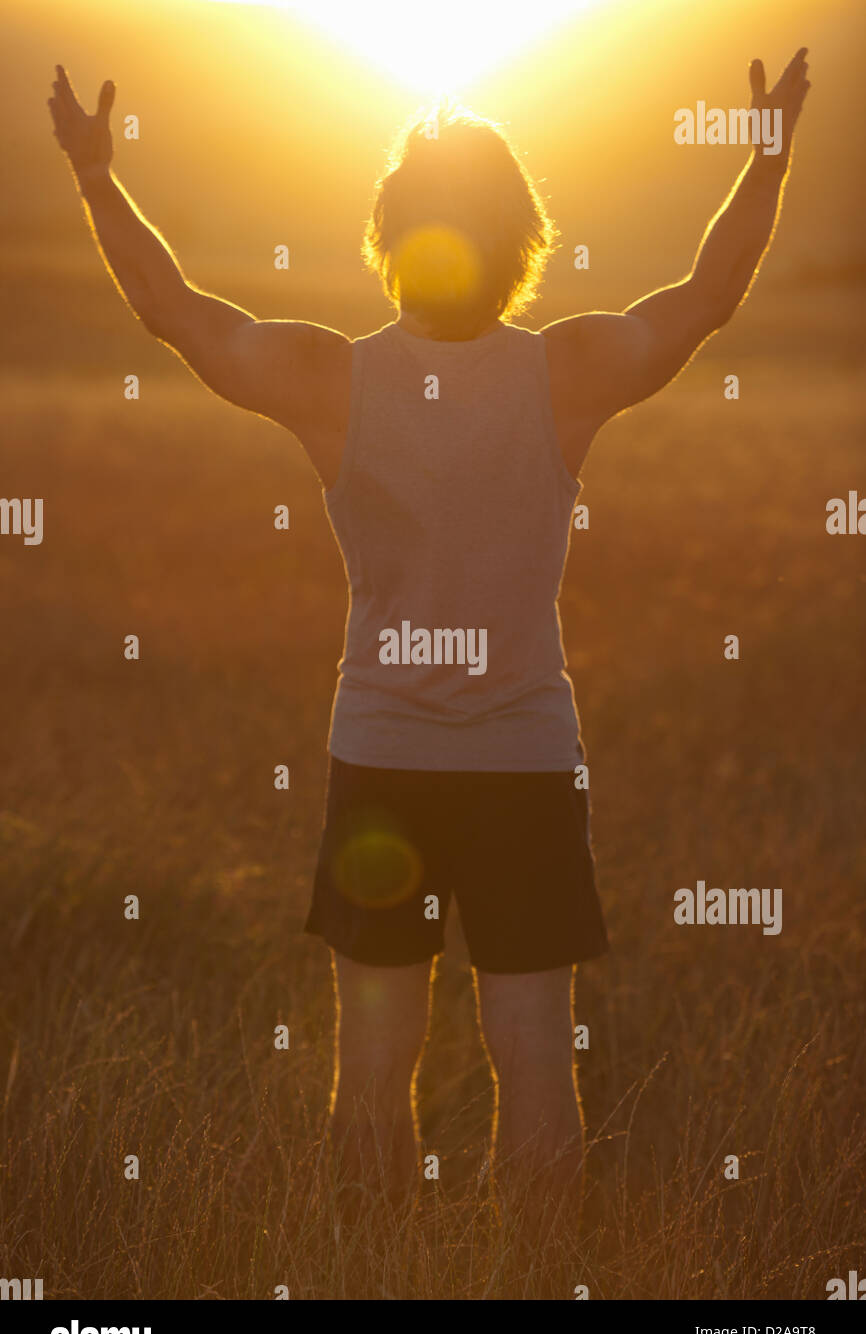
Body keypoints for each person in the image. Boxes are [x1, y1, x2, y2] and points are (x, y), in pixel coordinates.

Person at [48, 49, 810, 1231]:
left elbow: (172, 312)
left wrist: (98, 181)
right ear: (520, 239)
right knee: (535, 1068)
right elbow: (705, 296)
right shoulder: (565, 370)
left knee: (370, 1074)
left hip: (383, 766)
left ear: (390, 233)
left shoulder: (329, 376)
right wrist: (765, 156)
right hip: (519, 767)